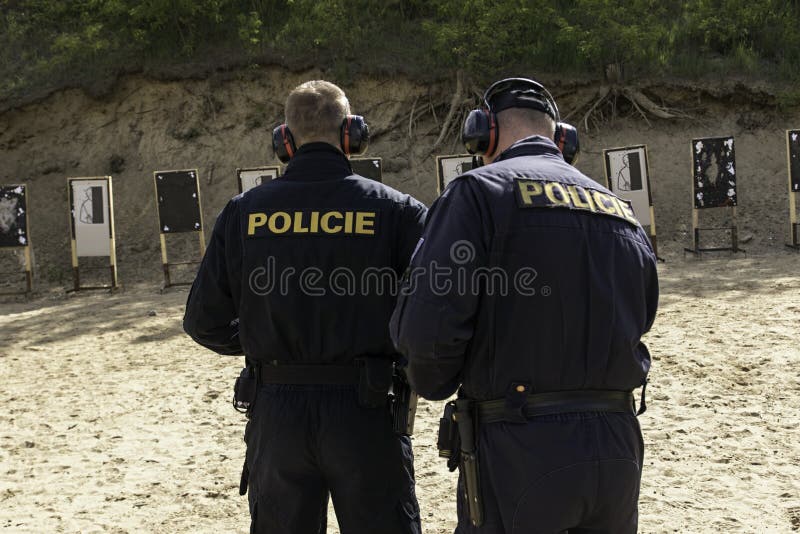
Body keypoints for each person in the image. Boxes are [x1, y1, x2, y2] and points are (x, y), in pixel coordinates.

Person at [390, 77, 658, 533]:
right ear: (561, 138)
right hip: (617, 442)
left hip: (518, 442)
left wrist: (433, 381)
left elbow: (428, 329)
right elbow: (644, 311)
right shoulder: (620, 209)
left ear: (485, 134)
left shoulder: (477, 193)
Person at [184, 80, 426, 534]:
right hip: (367, 407)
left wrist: (262, 337)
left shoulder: (243, 212)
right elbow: (431, 312)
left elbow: (203, 321)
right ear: (352, 133)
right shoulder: (397, 211)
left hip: (275, 407)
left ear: (285, 140)